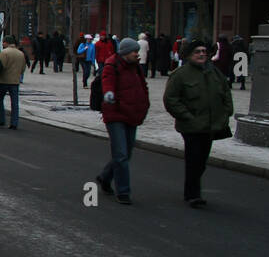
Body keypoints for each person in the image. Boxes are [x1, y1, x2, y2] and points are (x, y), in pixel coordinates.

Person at [163, 39, 234, 207]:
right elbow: (171, 100)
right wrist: (187, 116)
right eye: (197, 52)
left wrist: (225, 114)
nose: (202, 54)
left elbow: (226, 94)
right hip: (191, 126)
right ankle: (193, 194)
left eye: (204, 51)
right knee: (194, 159)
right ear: (188, 55)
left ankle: (193, 189)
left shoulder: (214, 73)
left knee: (201, 160)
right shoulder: (180, 75)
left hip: (210, 125)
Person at [95, 38, 149, 205]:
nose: (137, 55)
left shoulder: (136, 68)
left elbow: (142, 86)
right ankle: (123, 191)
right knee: (121, 154)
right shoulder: (112, 66)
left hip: (132, 114)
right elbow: (107, 82)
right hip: (116, 114)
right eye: (135, 52)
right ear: (125, 52)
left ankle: (105, 177)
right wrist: (109, 94)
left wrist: (144, 103)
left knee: (126, 153)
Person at [0, 34, 26, 129]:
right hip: (15, 81)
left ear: (7, 42)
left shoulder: (4, 53)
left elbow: (0, 66)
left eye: (4, 42)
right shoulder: (20, 53)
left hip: (4, 80)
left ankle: (1, 120)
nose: (3, 43)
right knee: (14, 103)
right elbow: (23, 69)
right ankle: (14, 123)